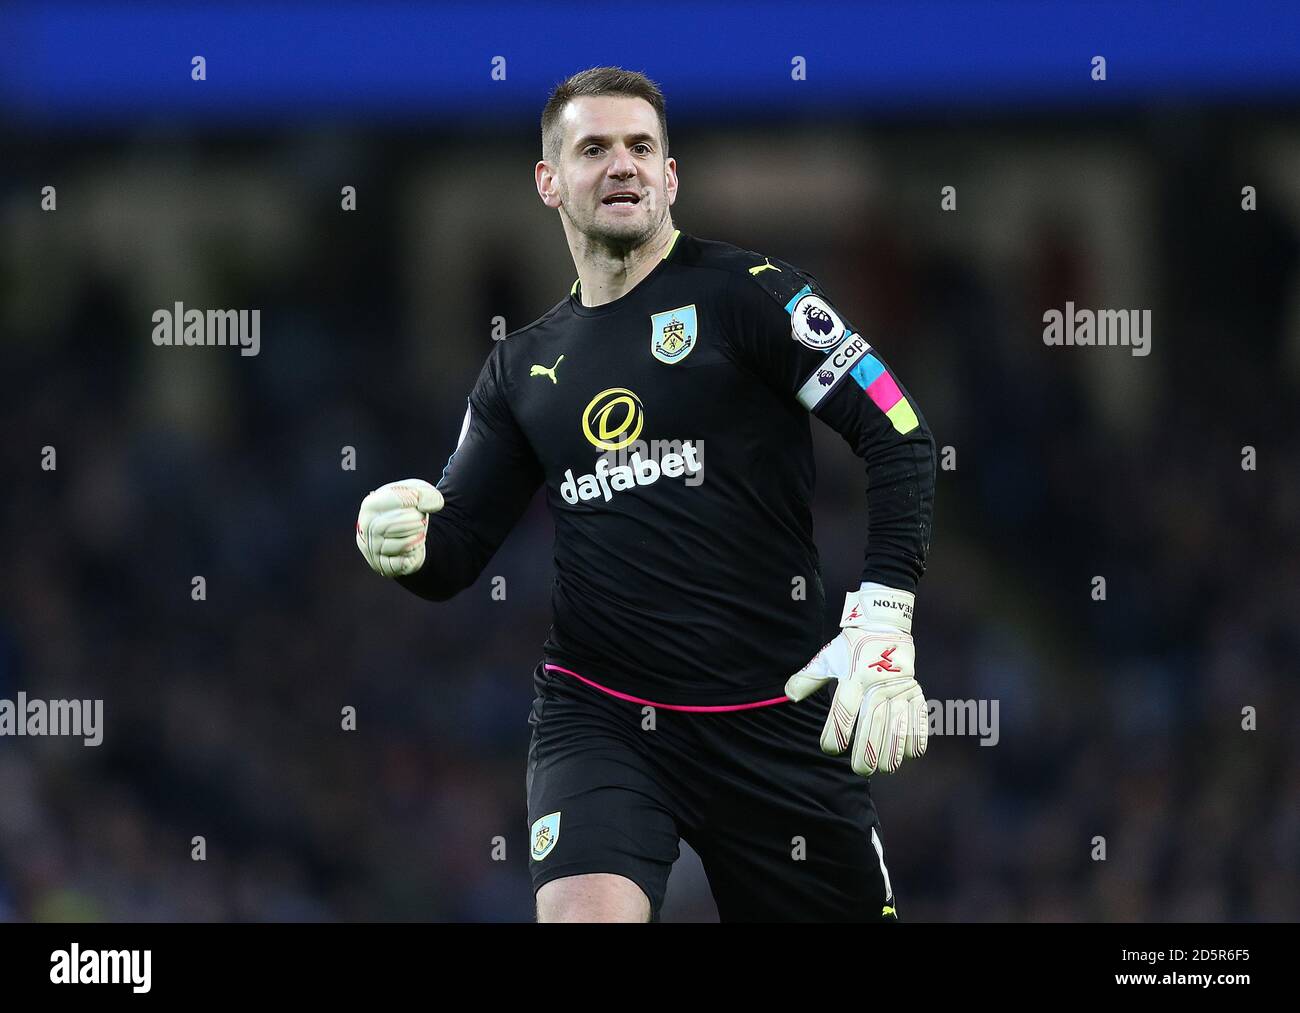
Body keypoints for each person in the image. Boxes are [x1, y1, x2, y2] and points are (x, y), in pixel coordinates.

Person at [355, 66, 936, 922]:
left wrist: (884, 612)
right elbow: (454, 552)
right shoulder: (520, 371)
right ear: (549, 180)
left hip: (776, 713)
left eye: (641, 147)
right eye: (594, 148)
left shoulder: (752, 295)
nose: (622, 164)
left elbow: (898, 429)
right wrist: (399, 542)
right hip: (604, 716)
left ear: (671, 177)